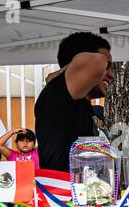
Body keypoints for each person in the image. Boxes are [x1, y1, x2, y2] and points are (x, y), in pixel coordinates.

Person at [35, 32, 112, 172]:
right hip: (59, 191)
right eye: (107, 67)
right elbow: (98, 61)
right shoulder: (59, 94)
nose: (110, 74)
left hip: (80, 190)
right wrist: (63, 71)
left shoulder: (81, 103)